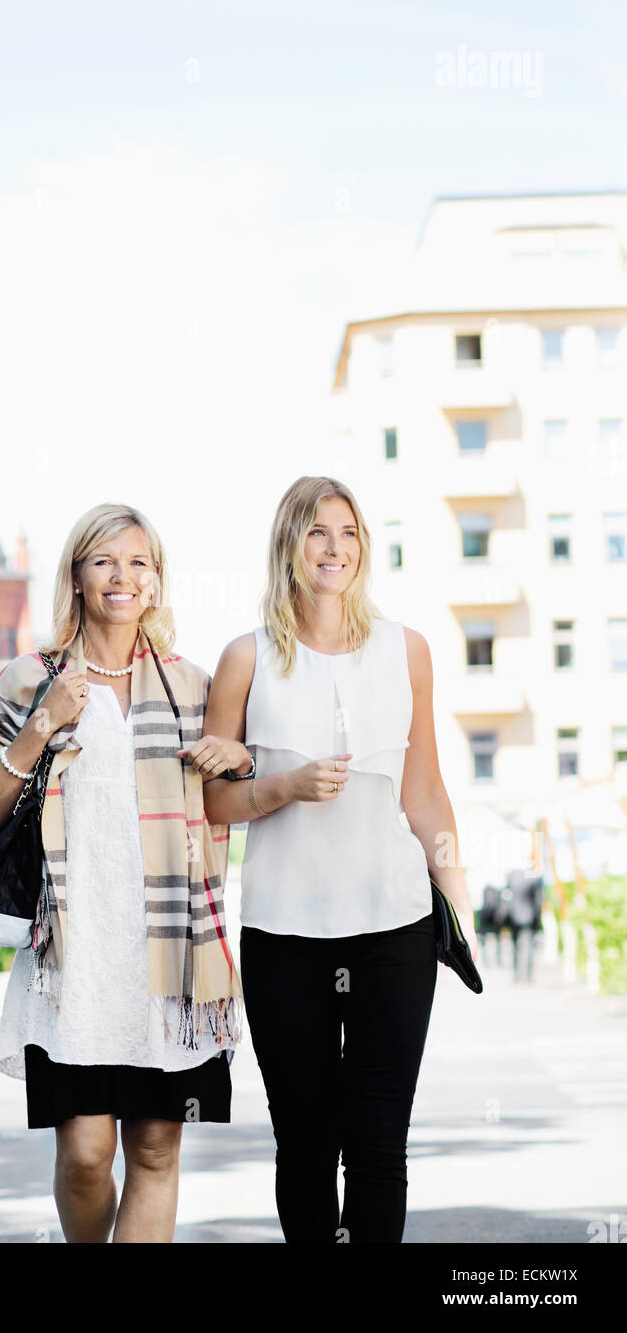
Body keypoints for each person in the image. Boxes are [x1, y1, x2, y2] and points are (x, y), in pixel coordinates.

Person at [0, 503, 248, 1243]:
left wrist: (239, 758)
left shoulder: (195, 687)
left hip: (170, 958)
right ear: (78, 577)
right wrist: (42, 724)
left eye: (139, 562)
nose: (123, 576)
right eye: (105, 561)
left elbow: (227, 803)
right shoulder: (29, 679)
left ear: (156, 582)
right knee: (86, 1154)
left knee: (155, 1147)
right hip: (73, 960)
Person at [202, 475, 478, 1245]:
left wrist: (460, 902)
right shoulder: (245, 659)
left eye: (349, 532)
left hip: (395, 924)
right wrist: (281, 785)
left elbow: (424, 792)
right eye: (318, 532)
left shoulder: (408, 650)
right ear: (290, 545)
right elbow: (216, 805)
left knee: (379, 1146)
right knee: (306, 1147)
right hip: (284, 933)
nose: (335, 548)